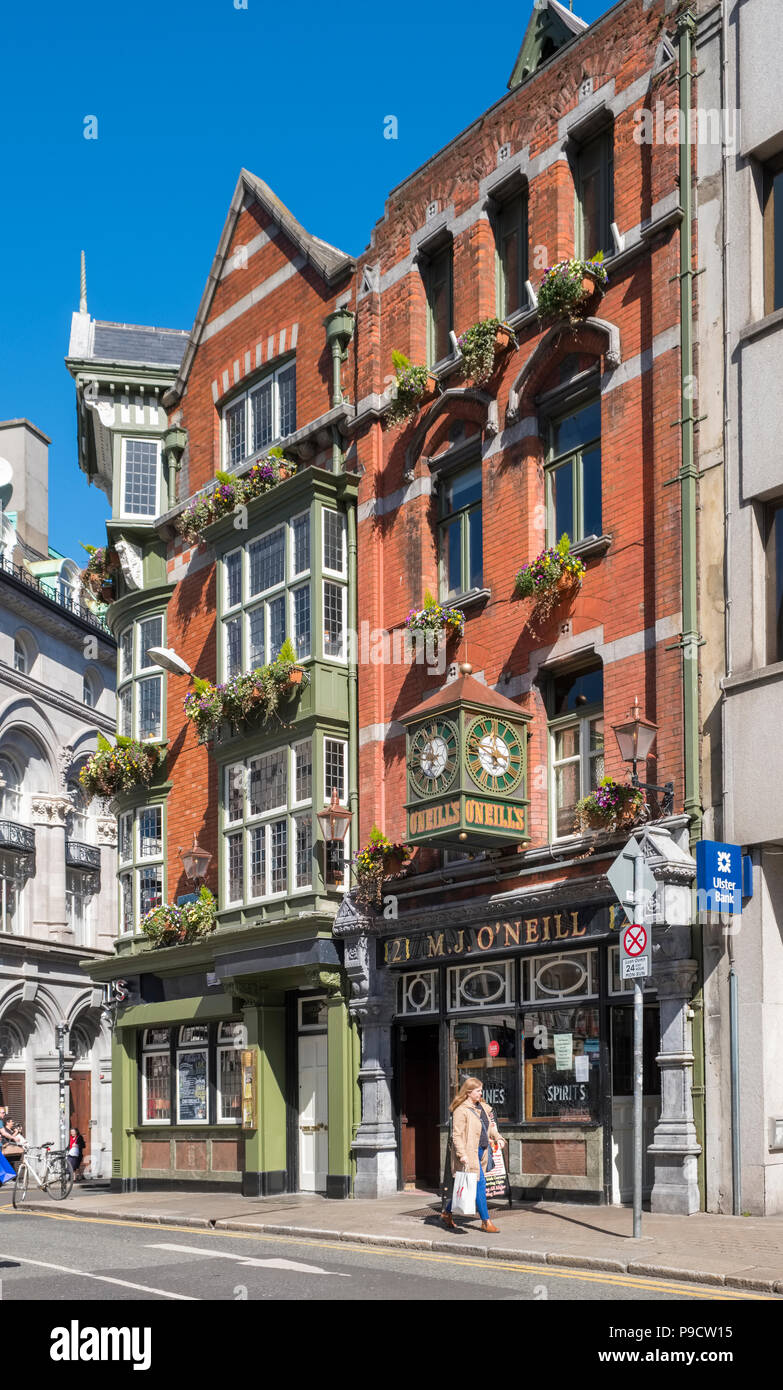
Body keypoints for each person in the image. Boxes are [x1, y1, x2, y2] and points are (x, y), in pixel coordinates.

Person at [441, 1076, 507, 1234]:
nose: (480, 1093)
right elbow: (456, 1135)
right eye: (478, 1091)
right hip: (469, 1154)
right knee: (480, 1185)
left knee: (469, 1187)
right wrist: (461, 1154)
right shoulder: (461, 1110)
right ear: (469, 1092)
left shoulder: (482, 1107)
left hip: (482, 1152)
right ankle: (486, 1221)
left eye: (481, 1090)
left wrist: (498, 1137)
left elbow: (489, 1127)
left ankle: (446, 1212)